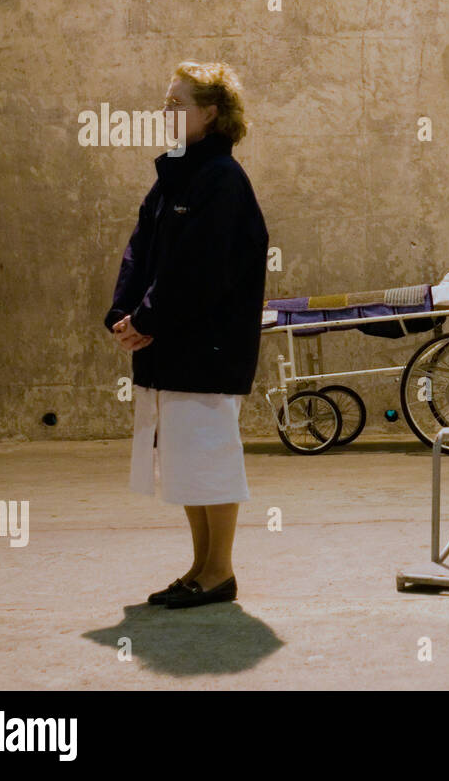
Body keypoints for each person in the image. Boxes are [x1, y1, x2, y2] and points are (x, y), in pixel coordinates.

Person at [104, 61, 269, 608]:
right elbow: (142, 252)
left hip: (207, 350)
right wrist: (123, 312)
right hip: (172, 345)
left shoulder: (221, 179)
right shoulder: (175, 174)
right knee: (187, 462)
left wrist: (147, 321)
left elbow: (197, 269)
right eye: (165, 102)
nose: (165, 112)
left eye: (177, 104)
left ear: (211, 113)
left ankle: (218, 571)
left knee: (210, 458)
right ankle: (200, 567)